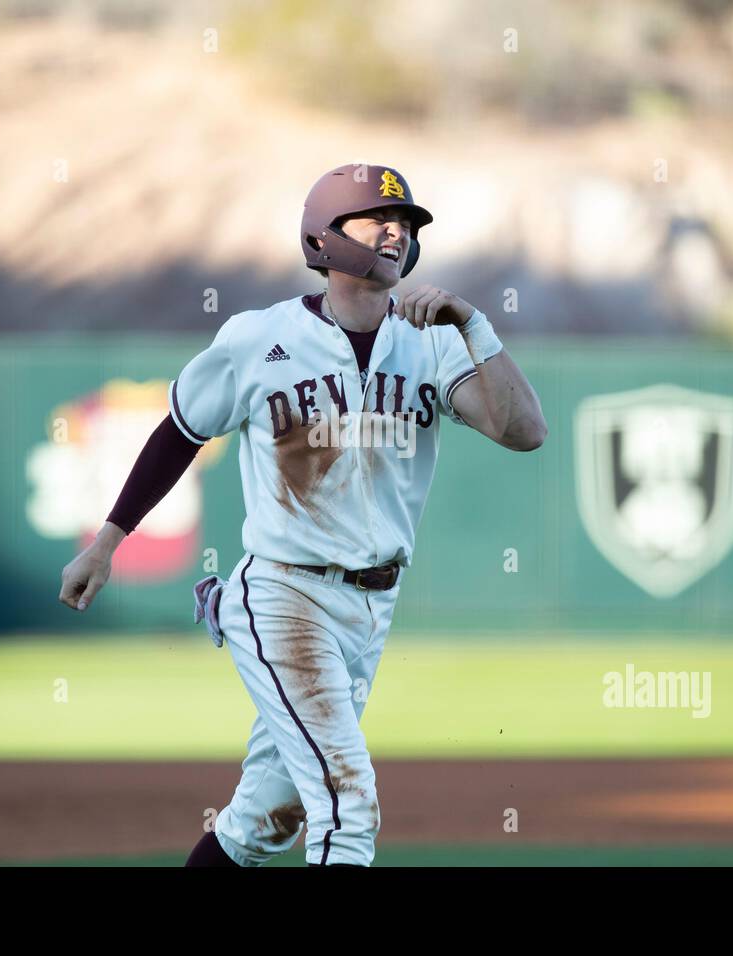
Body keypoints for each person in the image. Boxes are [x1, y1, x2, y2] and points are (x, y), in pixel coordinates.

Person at [59, 163, 547, 866]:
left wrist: (476, 325)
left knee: (265, 817)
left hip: (372, 607)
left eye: (405, 222)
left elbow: (523, 430)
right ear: (324, 238)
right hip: (285, 593)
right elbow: (179, 432)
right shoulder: (259, 338)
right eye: (375, 217)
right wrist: (106, 543)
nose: (395, 229)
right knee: (348, 803)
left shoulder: (436, 342)